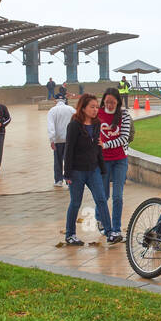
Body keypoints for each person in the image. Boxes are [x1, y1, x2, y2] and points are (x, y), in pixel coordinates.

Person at [63, 93, 116, 246]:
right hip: (77, 171)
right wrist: (67, 173)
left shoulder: (97, 124)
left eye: (96, 107)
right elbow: (69, 149)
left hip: (93, 170)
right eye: (92, 107)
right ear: (83, 108)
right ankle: (70, 234)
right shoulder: (74, 125)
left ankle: (109, 232)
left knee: (101, 199)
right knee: (75, 202)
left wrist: (102, 167)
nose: (95, 110)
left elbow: (98, 147)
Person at [98, 87, 132, 239]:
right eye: (107, 102)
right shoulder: (98, 114)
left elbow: (124, 137)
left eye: (112, 102)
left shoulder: (124, 115)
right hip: (103, 160)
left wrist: (106, 145)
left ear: (118, 102)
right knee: (103, 195)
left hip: (120, 160)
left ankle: (116, 228)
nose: (109, 105)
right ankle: (100, 219)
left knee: (117, 196)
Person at [47, 94, 76, 189]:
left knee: (58, 161)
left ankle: (58, 180)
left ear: (56, 100)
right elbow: (77, 123)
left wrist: (52, 139)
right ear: (64, 100)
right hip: (69, 139)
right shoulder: (71, 109)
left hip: (58, 140)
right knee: (69, 160)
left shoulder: (52, 111)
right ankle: (69, 181)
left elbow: (50, 126)